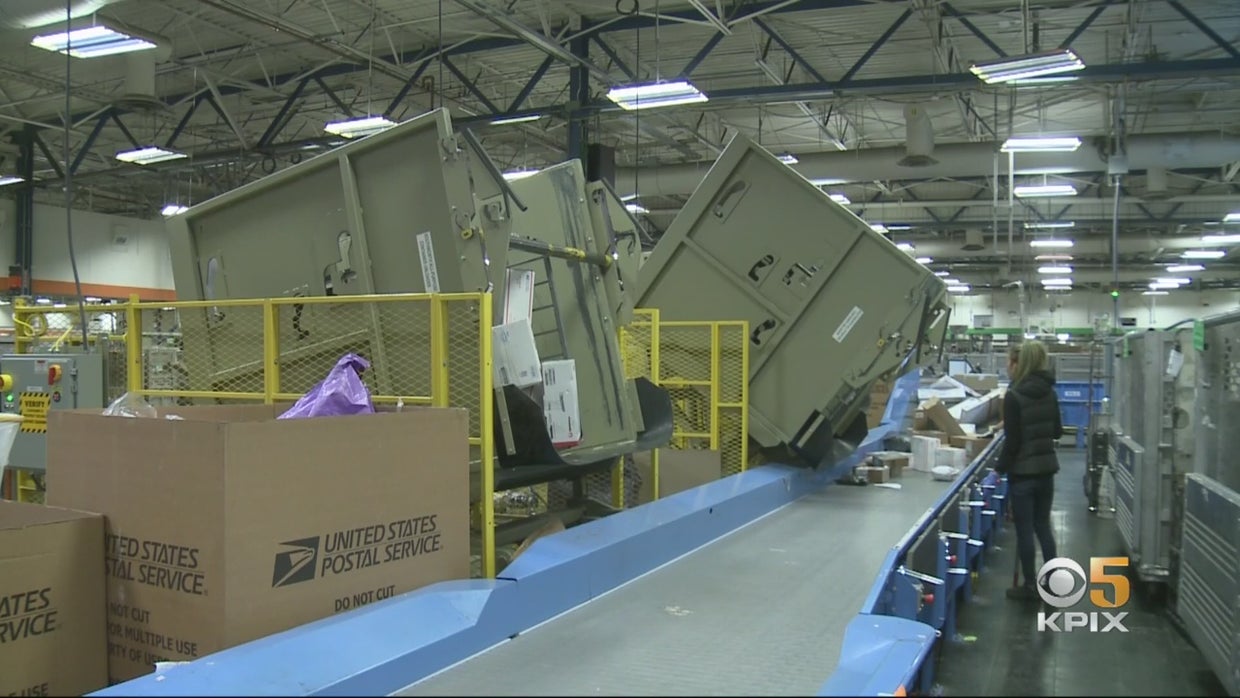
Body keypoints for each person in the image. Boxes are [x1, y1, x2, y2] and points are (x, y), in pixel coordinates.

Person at [996, 339, 1063, 601]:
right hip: (1046, 471)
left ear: (1018, 364)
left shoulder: (1014, 395)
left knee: (1024, 530)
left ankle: (1029, 587)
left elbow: (1012, 444)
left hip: (1022, 474)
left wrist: (998, 470)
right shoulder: (1050, 392)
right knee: (1043, 527)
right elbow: (1057, 430)